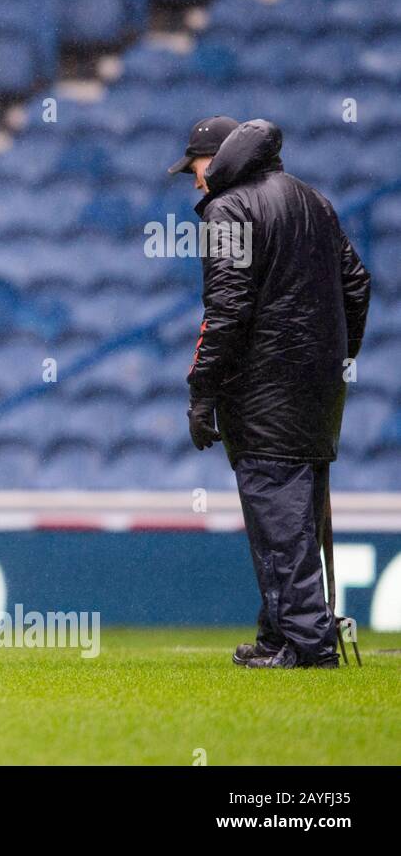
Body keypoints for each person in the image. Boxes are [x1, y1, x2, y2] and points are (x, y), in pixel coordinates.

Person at [171, 116, 370, 669]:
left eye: (196, 168)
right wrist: (333, 357)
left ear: (221, 157)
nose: (195, 182)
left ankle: (306, 645)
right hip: (316, 393)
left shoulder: (228, 210)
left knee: (280, 521)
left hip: (263, 395)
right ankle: (280, 635)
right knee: (296, 514)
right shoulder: (314, 201)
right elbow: (357, 283)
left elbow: (227, 307)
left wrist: (202, 390)